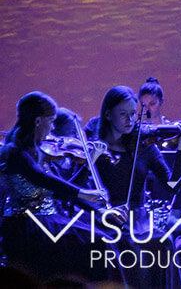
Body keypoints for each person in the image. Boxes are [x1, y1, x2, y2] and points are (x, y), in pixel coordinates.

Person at [0, 91, 111, 282]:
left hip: (48, 219)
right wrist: (84, 193)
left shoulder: (38, 150)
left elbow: (59, 191)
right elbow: (43, 179)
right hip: (26, 225)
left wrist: (100, 212)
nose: (52, 128)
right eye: (51, 121)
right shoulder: (14, 152)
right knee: (96, 244)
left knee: (101, 241)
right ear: (37, 121)